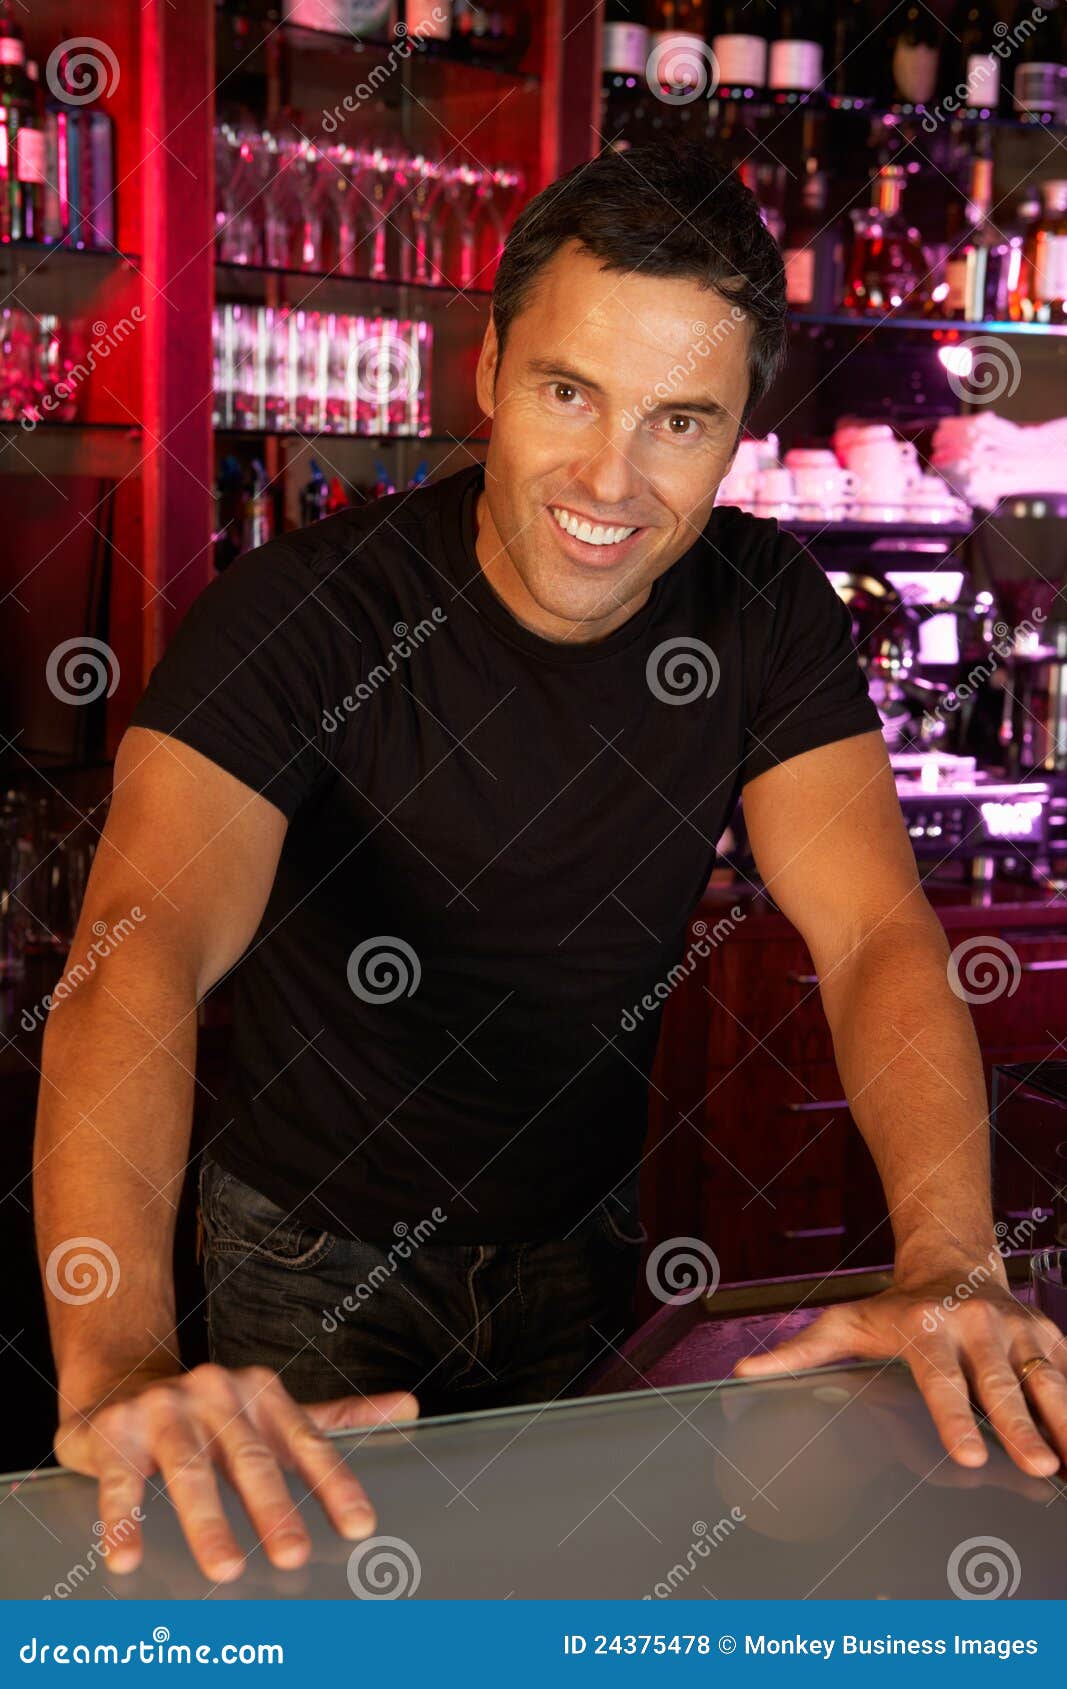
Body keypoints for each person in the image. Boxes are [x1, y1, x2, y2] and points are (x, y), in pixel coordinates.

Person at [35, 141, 1065, 1584]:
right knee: (317, 1629)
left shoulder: (764, 609)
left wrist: (955, 1261)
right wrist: (123, 1355)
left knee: (563, 1606)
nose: (611, 476)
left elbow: (878, 934)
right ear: (493, 372)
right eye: (568, 392)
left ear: (737, 433)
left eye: (680, 421)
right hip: (310, 1259)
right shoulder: (304, 617)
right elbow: (135, 948)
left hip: (584, 1241)